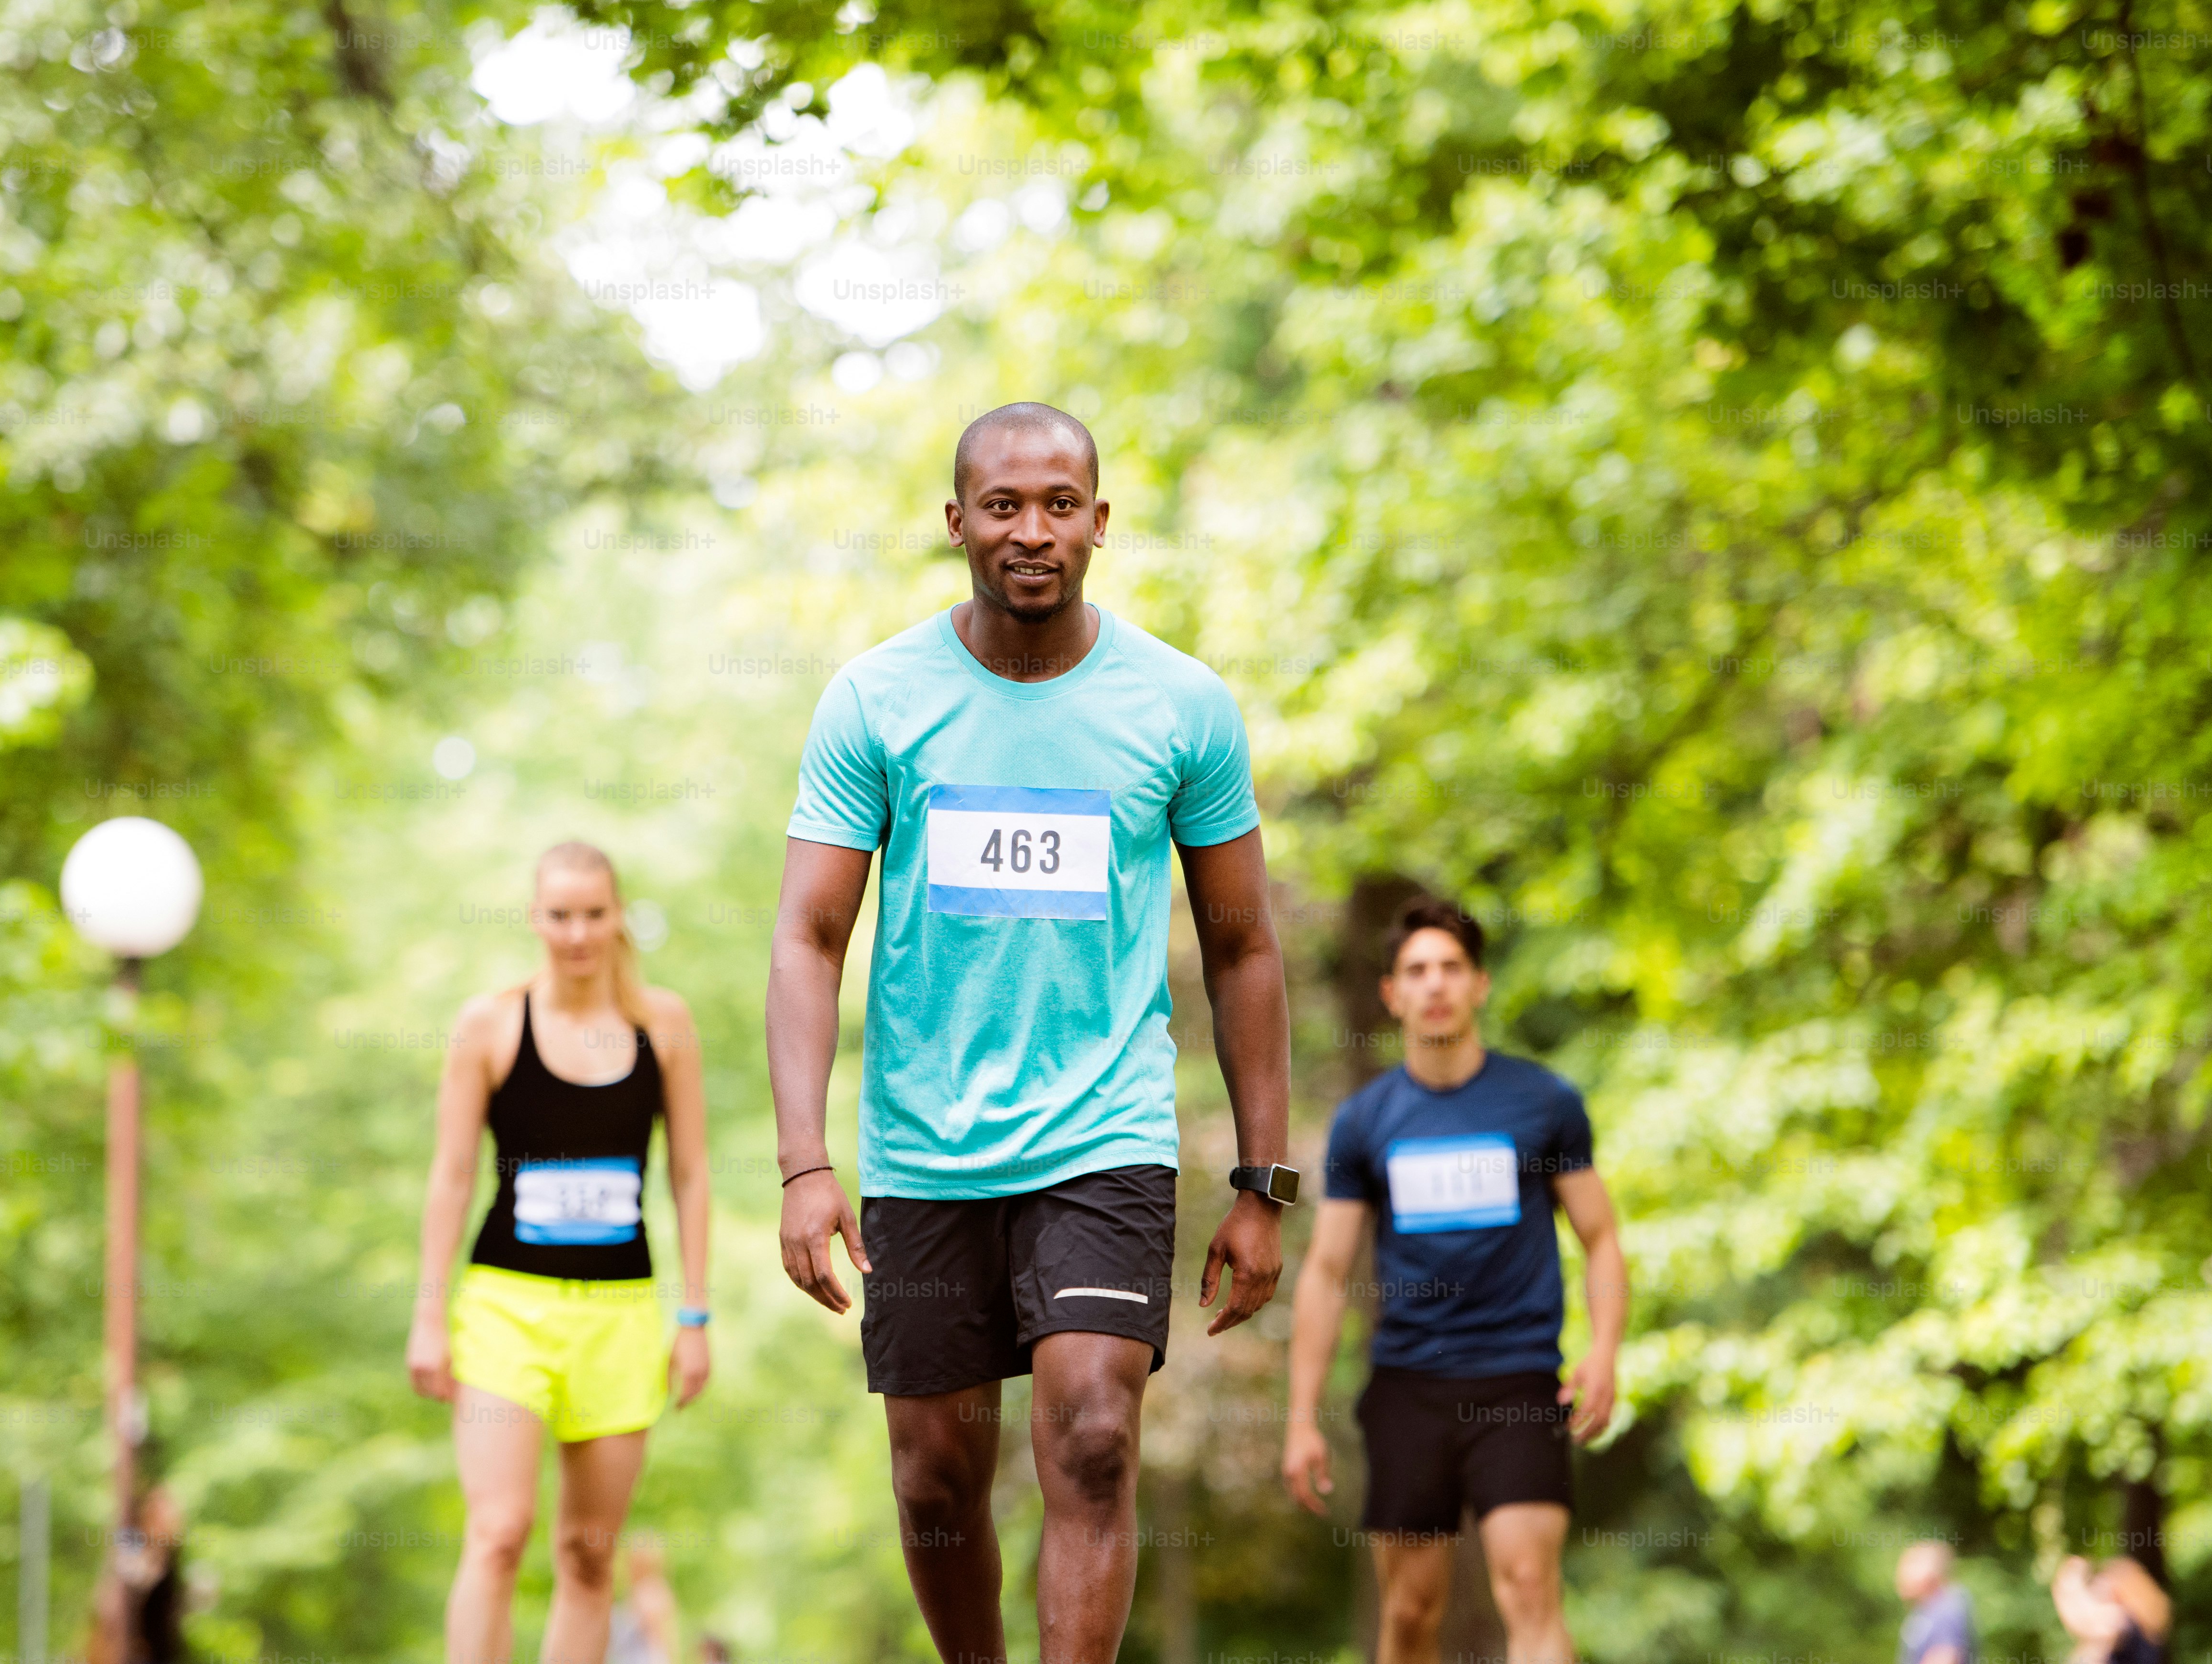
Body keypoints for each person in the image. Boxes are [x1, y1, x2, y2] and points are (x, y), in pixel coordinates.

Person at [769, 402, 1294, 1662]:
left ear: (1099, 524)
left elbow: (1242, 946)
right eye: (1002, 505)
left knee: (1096, 1436)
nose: (1031, 530)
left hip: (1102, 1135)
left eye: (1059, 504)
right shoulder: (876, 702)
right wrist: (802, 1161)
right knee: (936, 1482)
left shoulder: (1180, 706)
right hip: (923, 1149)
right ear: (955, 522)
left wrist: (1263, 1180)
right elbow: (806, 936)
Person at [1281, 896, 1626, 1664]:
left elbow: (1600, 1237)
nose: (1434, 984)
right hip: (1409, 1384)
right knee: (1408, 1610)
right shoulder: (1365, 1123)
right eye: (1416, 971)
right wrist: (1301, 1414)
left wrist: (1603, 1350)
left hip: (1520, 1378)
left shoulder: (1544, 1103)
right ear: (1391, 994)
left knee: (1530, 1585)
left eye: (1450, 968)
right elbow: (1328, 1272)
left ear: (1479, 984)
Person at [408, 842, 712, 1664]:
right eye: (560, 915)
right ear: (535, 918)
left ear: (617, 918)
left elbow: (689, 1174)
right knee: (499, 1531)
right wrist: (428, 1316)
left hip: (619, 1319)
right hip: (505, 1308)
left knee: (588, 1555)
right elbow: (451, 1175)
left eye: (594, 914)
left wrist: (694, 1316)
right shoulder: (489, 1024)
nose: (577, 933)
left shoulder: (665, 1026)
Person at [2054, 1555, 2171, 1664]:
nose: (2100, 1587)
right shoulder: (2144, 1633)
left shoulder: (2125, 1623)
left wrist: (2069, 1587)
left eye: (2105, 1581)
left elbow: (2091, 1624)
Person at [1896, 1540, 1975, 1664]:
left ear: (1932, 1572)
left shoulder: (1945, 1610)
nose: (1901, 1573)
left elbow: (1945, 1657)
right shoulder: (1928, 1610)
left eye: (1911, 1565)